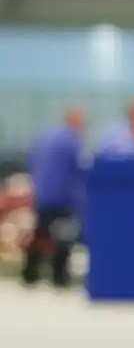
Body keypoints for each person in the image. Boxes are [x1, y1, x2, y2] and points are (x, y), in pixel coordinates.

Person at [23, 108, 86, 287]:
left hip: (43, 194)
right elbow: (79, 170)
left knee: (40, 234)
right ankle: (59, 276)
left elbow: (33, 162)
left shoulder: (46, 138)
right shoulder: (72, 141)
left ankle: (30, 274)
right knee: (62, 237)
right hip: (62, 197)